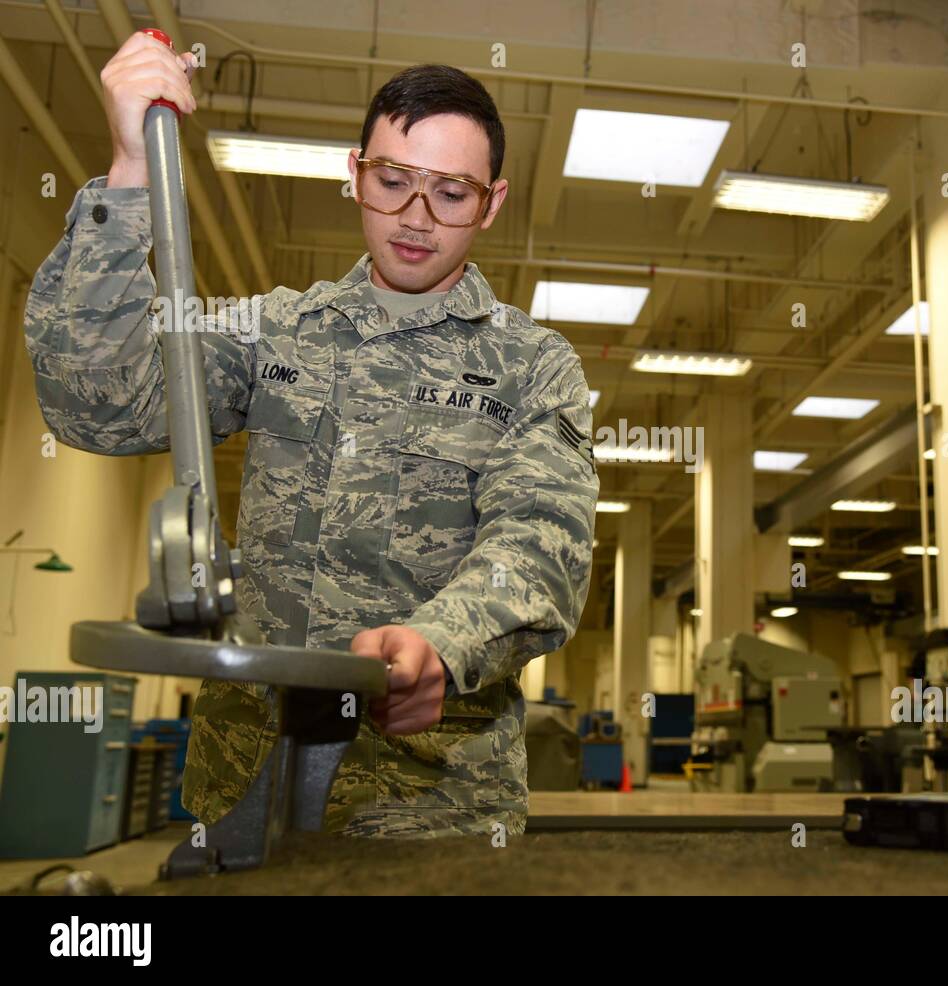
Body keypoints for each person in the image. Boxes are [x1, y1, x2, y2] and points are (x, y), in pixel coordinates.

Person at [24, 31, 599, 839]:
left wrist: (441, 643)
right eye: (393, 181)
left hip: (427, 809)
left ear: (493, 202)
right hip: (245, 790)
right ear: (354, 172)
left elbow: (542, 545)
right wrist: (129, 171)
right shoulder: (275, 332)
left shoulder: (532, 367)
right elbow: (98, 401)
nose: (415, 217)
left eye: (451, 194)